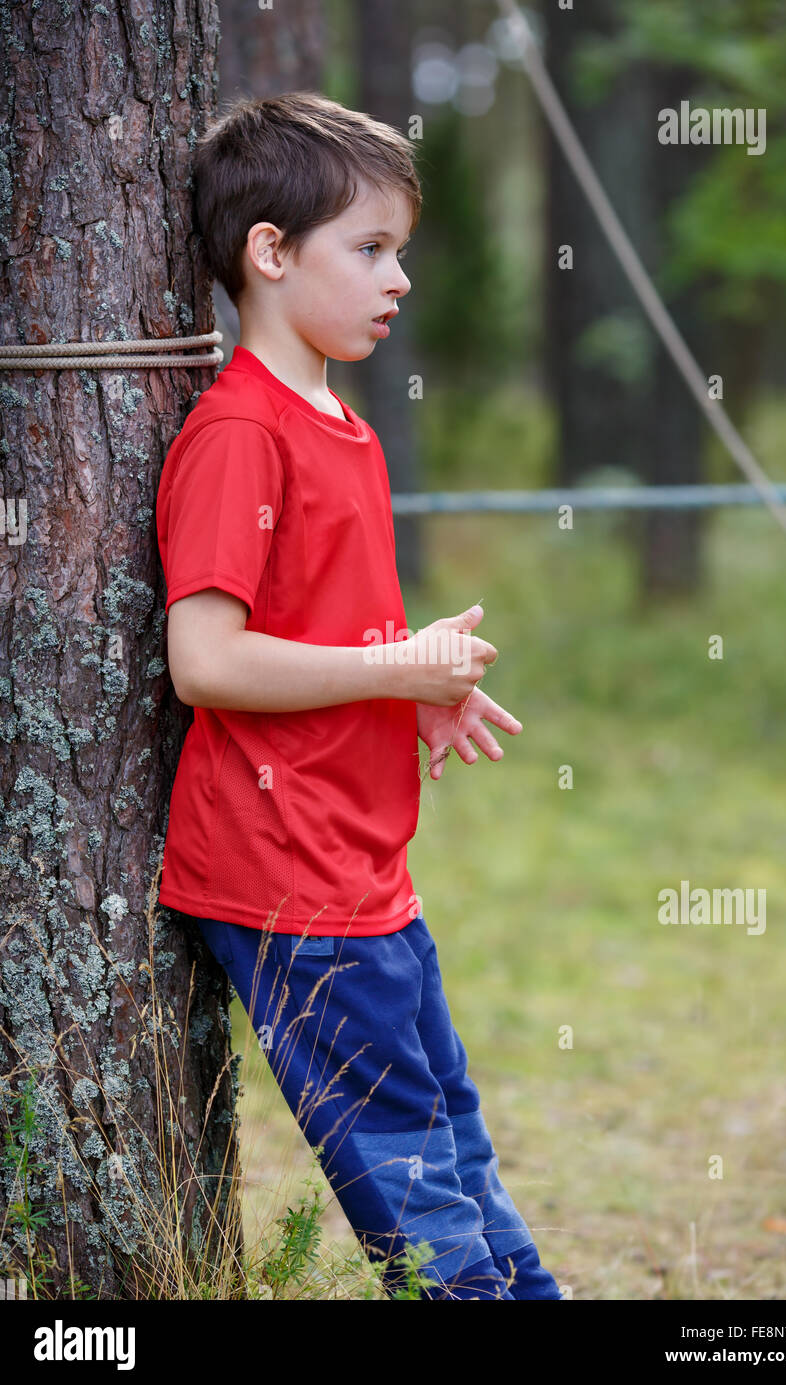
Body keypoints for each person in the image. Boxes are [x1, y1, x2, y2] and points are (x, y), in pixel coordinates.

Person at [155, 91, 562, 1301]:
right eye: (369, 249)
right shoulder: (240, 435)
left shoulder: (344, 427)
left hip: (364, 867)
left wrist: (412, 696)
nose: (395, 280)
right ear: (269, 253)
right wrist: (396, 669)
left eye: (401, 251)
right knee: (410, 1178)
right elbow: (207, 659)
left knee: (451, 1132)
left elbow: (325, 630)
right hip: (285, 882)